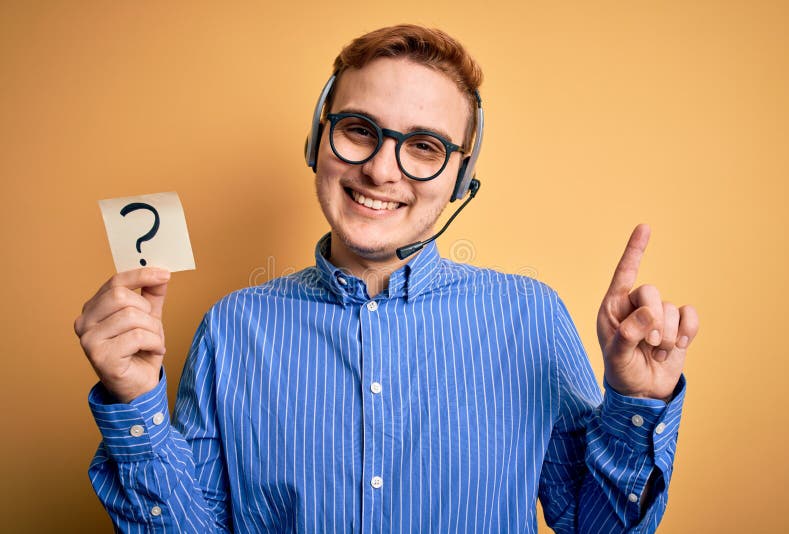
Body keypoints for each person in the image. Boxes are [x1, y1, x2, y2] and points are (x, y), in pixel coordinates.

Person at [75, 24, 699, 533]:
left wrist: (636, 405)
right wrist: (136, 405)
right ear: (319, 140)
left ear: (460, 179)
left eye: (424, 146)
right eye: (359, 130)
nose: (380, 169)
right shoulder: (232, 328)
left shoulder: (529, 317)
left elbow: (599, 529)